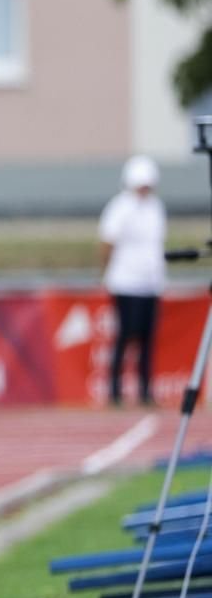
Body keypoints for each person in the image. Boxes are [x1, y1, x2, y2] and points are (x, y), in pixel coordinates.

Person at [100, 155, 166, 408]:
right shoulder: (120, 207)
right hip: (125, 282)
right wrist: (105, 274)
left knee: (148, 339)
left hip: (151, 282)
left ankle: (145, 391)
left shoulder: (155, 207)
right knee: (125, 336)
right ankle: (115, 391)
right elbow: (107, 242)